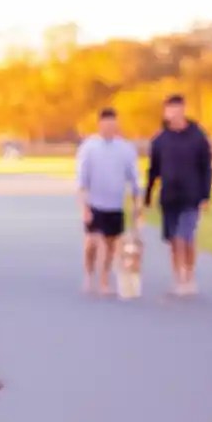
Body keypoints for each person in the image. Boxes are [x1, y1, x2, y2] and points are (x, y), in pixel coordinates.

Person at [145, 94, 212, 295]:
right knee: (174, 239)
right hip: (169, 197)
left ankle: (189, 276)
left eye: (176, 109)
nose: (172, 114)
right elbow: (154, 170)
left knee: (186, 236)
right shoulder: (160, 140)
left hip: (191, 196)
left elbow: (206, 167)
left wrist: (206, 196)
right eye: (169, 110)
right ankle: (178, 278)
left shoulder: (198, 136)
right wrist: (148, 195)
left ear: (183, 110)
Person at [75, 107, 141, 295]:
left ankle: (104, 279)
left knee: (111, 245)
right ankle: (89, 274)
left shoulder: (126, 149)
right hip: (94, 203)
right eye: (106, 124)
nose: (109, 128)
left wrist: (137, 203)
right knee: (91, 243)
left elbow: (134, 179)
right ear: (99, 125)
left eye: (113, 124)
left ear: (117, 125)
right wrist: (84, 207)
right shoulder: (89, 147)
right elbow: (81, 180)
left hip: (115, 204)